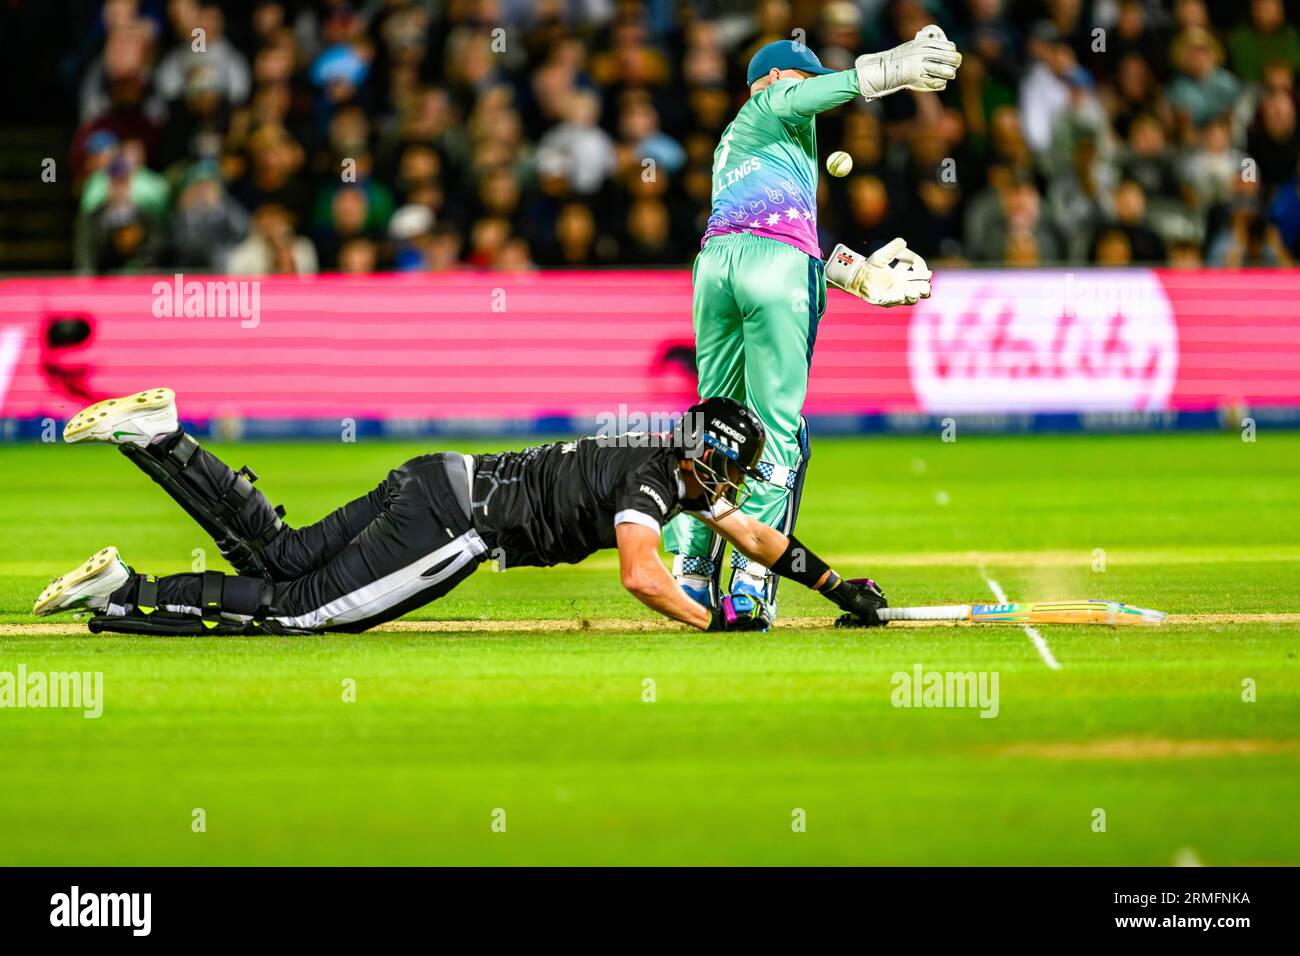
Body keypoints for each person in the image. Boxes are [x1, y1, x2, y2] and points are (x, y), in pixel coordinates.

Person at [33, 389, 888, 636]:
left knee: (284, 556)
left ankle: (162, 441)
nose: (730, 485)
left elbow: (757, 537)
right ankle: (120, 594)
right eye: (729, 467)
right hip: (456, 524)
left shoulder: (669, 463)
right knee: (299, 613)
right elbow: (640, 573)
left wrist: (835, 582)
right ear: (704, 452)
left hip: (435, 477)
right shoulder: (655, 480)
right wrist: (710, 624)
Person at [664, 32, 961, 619]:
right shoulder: (772, 104)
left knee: (715, 422)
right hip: (772, 268)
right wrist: (887, 70)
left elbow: (765, 230)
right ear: (773, 80)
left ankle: (691, 577)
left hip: (717, 265)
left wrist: (853, 274)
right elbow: (779, 249)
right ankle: (751, 578)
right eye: (807, 81)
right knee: (778, 430)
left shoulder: (740, 143)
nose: (815, 99)